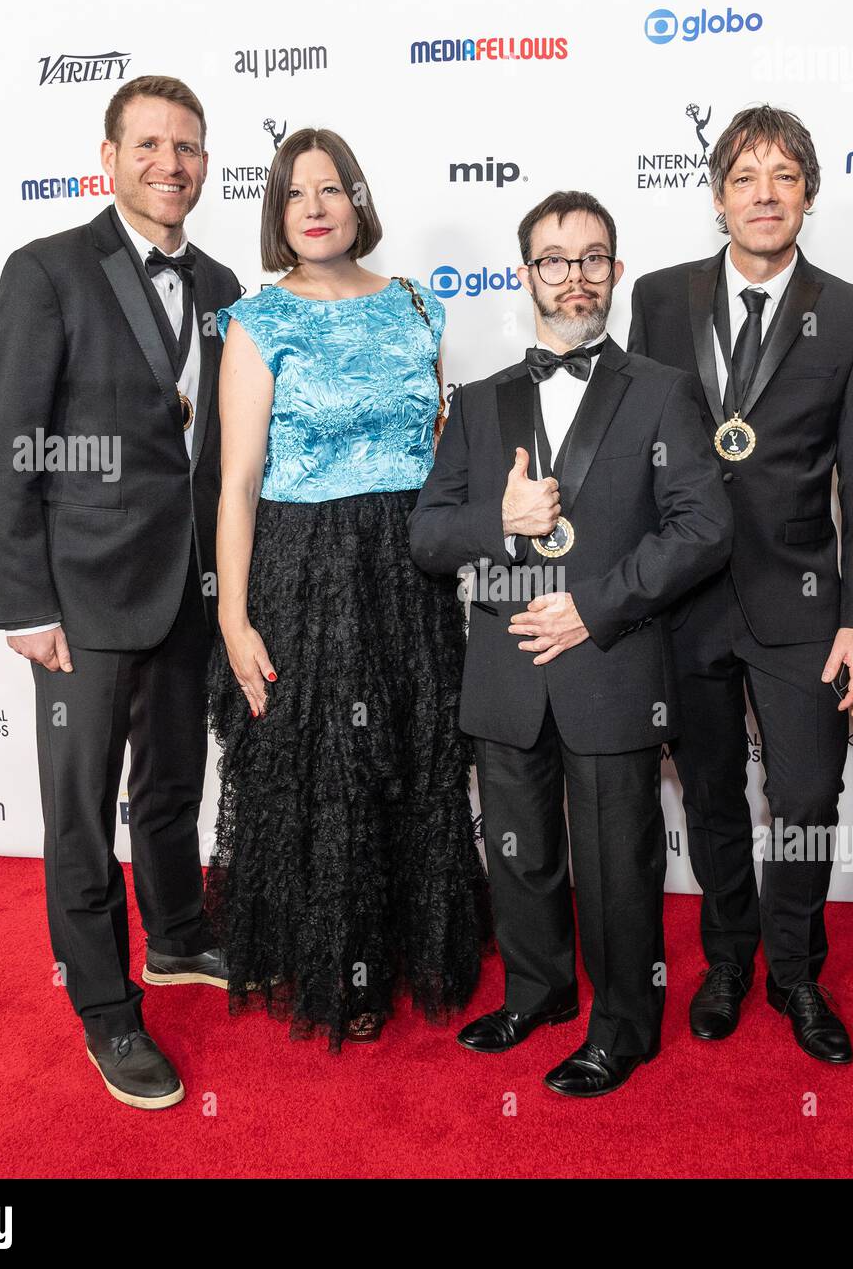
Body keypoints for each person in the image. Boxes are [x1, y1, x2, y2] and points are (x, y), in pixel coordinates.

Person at [410, 191, 733, 1097]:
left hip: (612, 664)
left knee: (618, 863)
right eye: (554, 259)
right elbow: (427, 536)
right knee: (518, 851)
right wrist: (499, 519)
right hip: (505, 671)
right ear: (526, 276)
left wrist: (594, 605)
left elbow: (704, 526)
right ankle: (539, 990)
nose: (576, 275)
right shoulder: (478, 404)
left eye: (594, 258)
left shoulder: (664, 392)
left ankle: (624, 1024)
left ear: (616, 272)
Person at [0, 76, 241, 1110]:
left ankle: (177, 936)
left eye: (187, 147)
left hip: (185, 586)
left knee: (171, 785)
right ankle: (105, 1007)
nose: (169, 163)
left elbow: (216, 448)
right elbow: (9, 449)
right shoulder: (46, 271)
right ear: (109, 157)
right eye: (149, 145)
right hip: (78, 597)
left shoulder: (222, 282)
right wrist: (23, 601)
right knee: (80, 812)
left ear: (207, 164)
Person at [206, 128, 491, 1051]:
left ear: (360, 201)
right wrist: (233, 613)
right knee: (323, 766)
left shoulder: (416, 304)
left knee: (412, 749)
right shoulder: (260, 319)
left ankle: (413, 941)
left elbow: (439, 446)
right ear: (278, 213)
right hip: (304, 568)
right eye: (297, 194)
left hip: (408, 568)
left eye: (333, 189)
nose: (318, 207)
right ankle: (334, 956)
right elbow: (238, 483)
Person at [628, 105, 853, 1063]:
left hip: (803, 604)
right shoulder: (658, 298)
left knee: (810, 798)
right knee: (708, 796)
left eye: (784, 176)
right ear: (718, 196)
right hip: (686, 599)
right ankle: (729, 960)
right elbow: (635, 455)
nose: (765, 194)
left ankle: (796, 969)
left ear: (809, 195)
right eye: (745, 177)